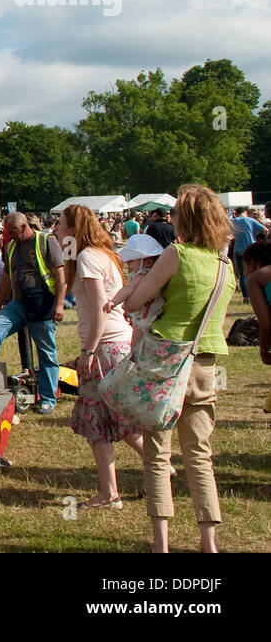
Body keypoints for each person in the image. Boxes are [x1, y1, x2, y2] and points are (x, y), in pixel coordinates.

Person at [120, 184, 236, 554]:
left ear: (185, 219)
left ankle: (161, 545)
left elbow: (137, 299)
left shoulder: (177, 254)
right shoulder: (225, 266)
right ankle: (209, 542)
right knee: (199, 455)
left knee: (158, 454)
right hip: (205, 364)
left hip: (166, 362)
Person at [56, 205, 144, 510]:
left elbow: (99, 310)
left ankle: (109, 493)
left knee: (96, 419)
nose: (56, 229)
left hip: (105, 346)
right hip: (116, 343)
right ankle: (158, 466)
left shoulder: (87, 258)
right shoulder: (101, 254)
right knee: (116, 415)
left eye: (61, 224)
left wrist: (88, 351)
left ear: (73, 229)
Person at [0, 212, 67, 414]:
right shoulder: (12, 245)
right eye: (7, 232)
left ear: (24, 227)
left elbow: (60, 275)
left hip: (42, 303)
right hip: (18, 304)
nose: (9, 236)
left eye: (13, 232)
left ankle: (47, 399)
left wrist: (59, 305)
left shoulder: (46, 242)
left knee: (46, 353)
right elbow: (6, 277)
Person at [240, 240, 271, 367]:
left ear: (253, 263)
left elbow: (266, 324)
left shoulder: (256, 278)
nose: (244, 272)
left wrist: (264, 351)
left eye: (244, 266)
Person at [230, 205, 264, 298]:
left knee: (242, 274)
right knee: (255, 271)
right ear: (245, 212)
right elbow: (264, 230)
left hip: (238, 250)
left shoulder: (231, 221)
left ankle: (246, 296)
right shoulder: (250, 220)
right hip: (252, 249)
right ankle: (257, 293)